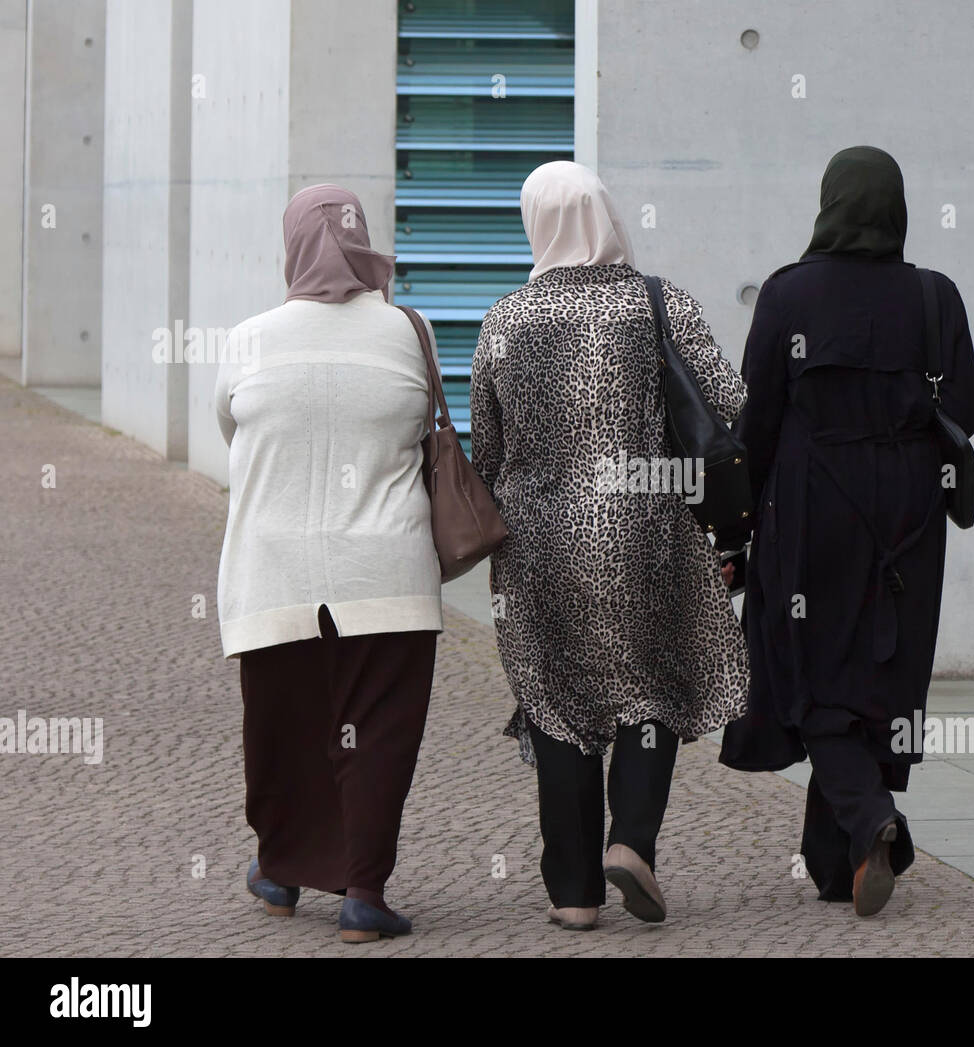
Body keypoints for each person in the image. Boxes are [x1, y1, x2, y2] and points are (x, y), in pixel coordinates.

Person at [471, 160, 749, 931]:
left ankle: (573, 893)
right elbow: (730, 404)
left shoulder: (504, 320)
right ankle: (631, 841)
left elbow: (486, 454)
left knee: (556, 706)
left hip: (535, 547)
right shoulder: (660, 304)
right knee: (649, 687)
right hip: (646, 532)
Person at [719, 146, 974, 916]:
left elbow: (758, 422)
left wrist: (735, 533)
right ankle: (834, 864)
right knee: (881, 672)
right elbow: (965, 406)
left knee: (809, 676)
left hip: (812, 509)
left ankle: (873, 823)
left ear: (829, 201)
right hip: (910, 516)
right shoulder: (936, 297)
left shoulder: (789, 293)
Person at [215, 184, 442, 943]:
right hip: (388, 572)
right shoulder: (412, 331)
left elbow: (231, 430)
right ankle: (364, 893)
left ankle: (279, 869)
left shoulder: (248, 338)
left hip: (274, 571)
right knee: (377, 731)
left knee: (281, 724)